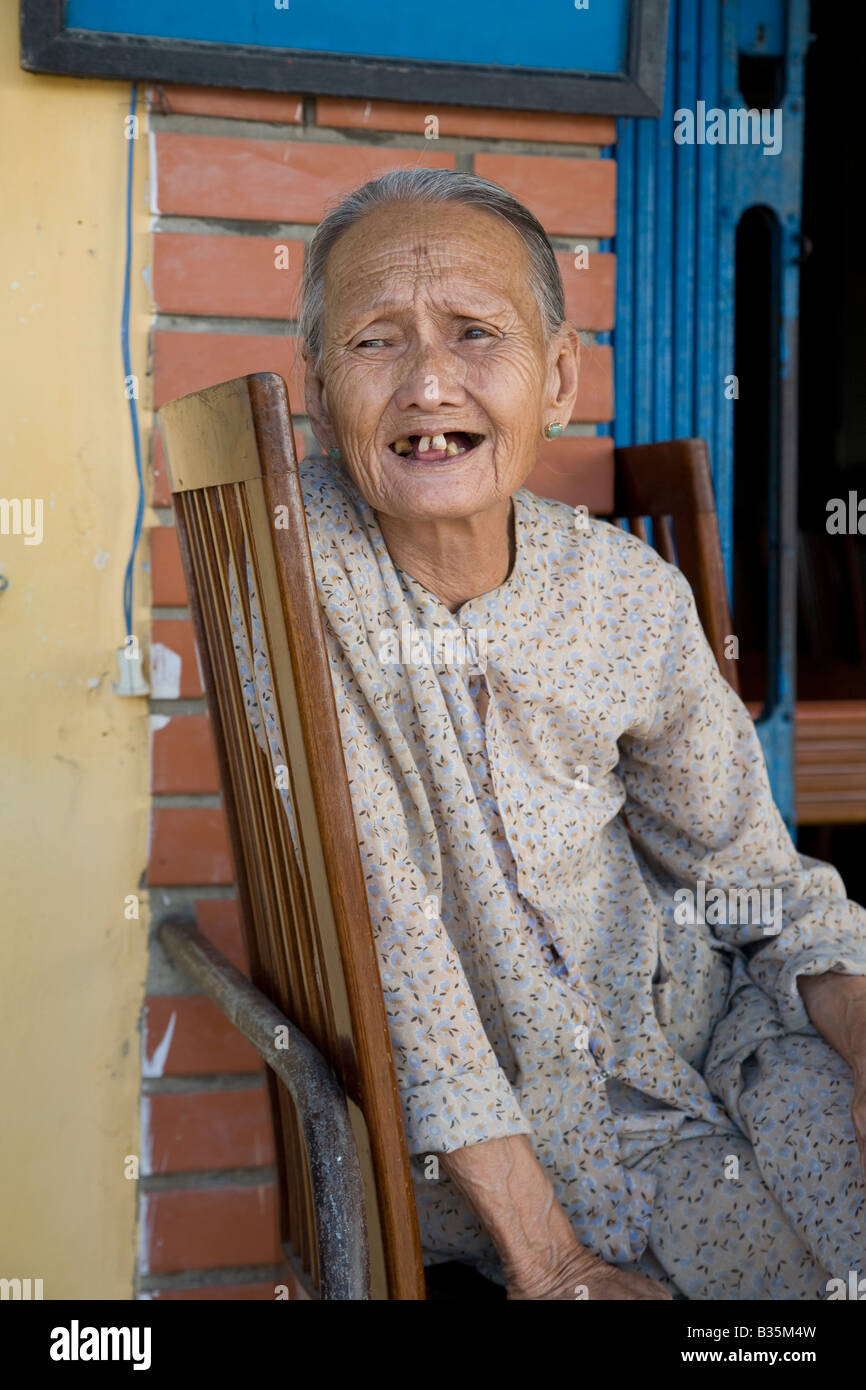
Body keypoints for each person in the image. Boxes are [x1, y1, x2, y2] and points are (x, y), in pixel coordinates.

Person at [239, 167, 866, 1299]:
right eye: (376, 342)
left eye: (476, 332)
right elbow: (397, 952)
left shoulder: (627, 593)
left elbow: (751, 878)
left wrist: (860, 1036)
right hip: (508, 1143)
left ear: (561, 378)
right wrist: (552, 1261)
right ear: (320, 392)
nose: (430, 381)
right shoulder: (294, 578)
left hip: (700, 1046)